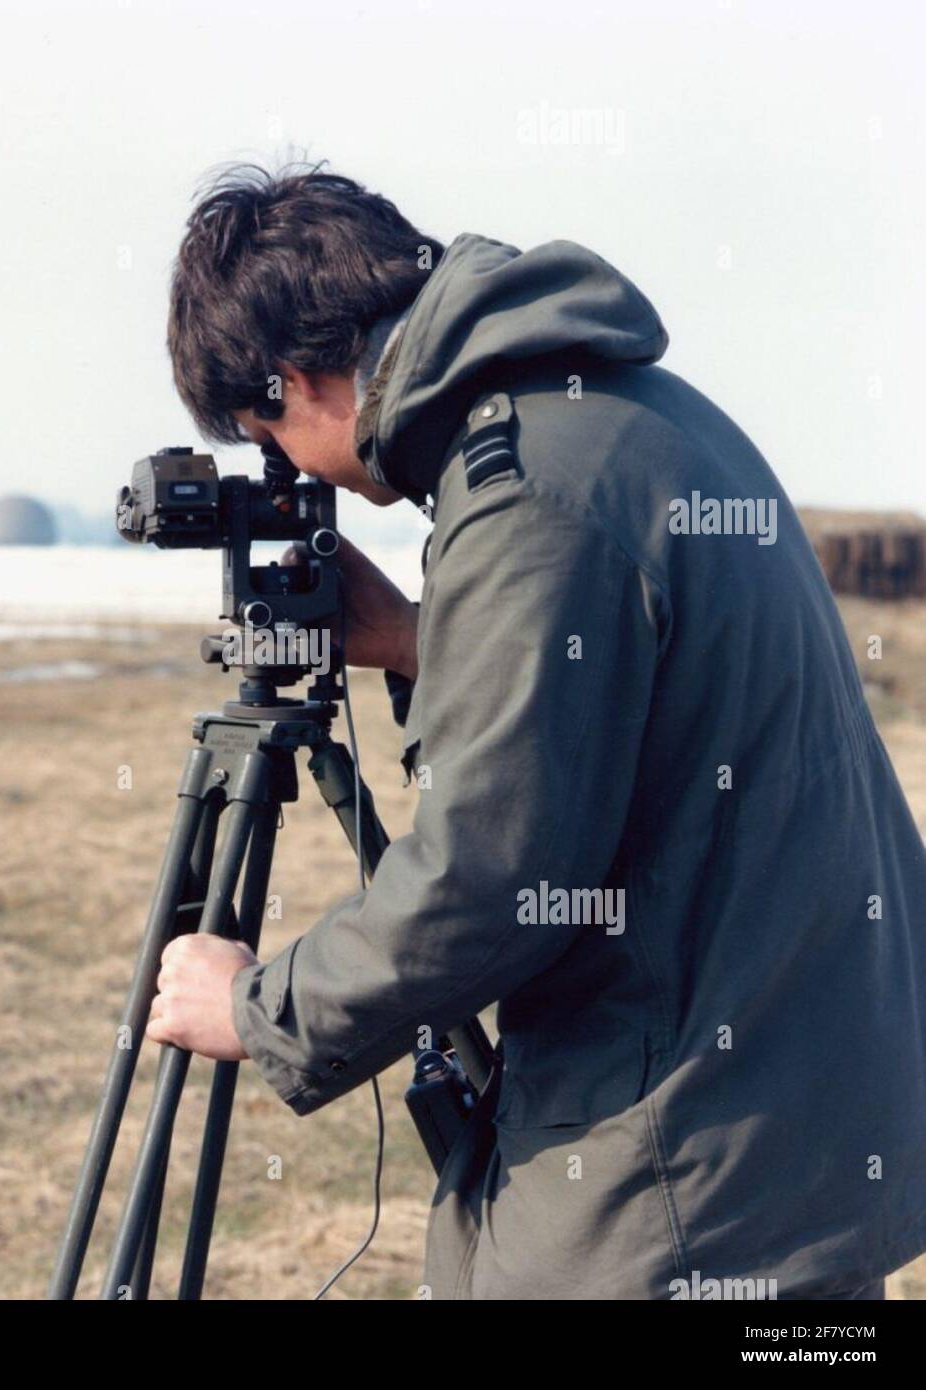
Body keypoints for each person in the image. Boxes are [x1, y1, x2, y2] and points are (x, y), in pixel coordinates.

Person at [147, 162, 926, 1299]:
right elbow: (630, 703)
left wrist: (260, 1009)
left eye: (265, 430)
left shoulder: (521, 497)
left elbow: (490, 879)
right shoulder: (619, 407)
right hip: (795, 1112)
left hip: (685, 1175)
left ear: (299, 378)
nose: (287, 470)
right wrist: (425, 641)